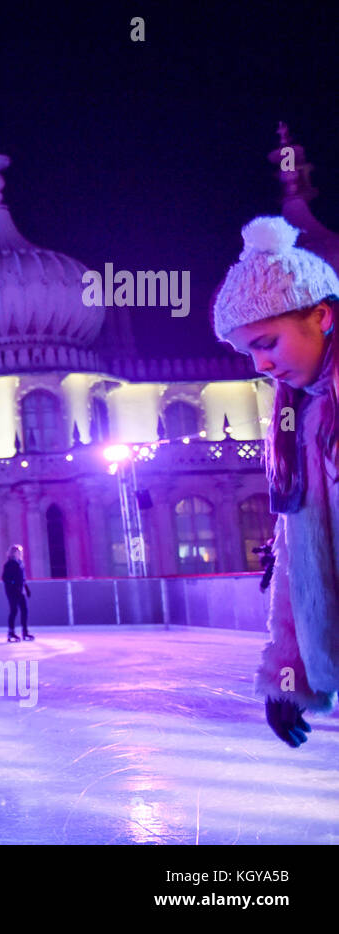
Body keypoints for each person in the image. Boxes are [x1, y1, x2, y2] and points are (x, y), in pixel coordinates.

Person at [213, 215, 339, 747]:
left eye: (268, 341)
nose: (262, 364)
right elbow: (298, 558)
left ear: (322, 315)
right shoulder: (304, 418)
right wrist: (289, 678)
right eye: (250, 353)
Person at [1, 545, 34, 642]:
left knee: (24, 610)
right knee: (14, 610)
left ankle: (25, 631)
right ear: (13, 553)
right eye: (17, 552)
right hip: (12, 591)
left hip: (20, 591)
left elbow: (22, 578)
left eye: (20, 552)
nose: (19, 554)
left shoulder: (20, 563)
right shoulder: (9, 564)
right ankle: (11, 632)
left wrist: (26, 588)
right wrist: (14, 585)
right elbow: (5, 578)